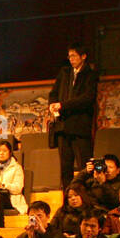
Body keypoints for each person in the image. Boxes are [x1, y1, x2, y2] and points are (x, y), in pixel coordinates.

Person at [48, 42, 98, 187]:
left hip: (80, 128)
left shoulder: (90, 74)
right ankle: (67, 201)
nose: (71, 59)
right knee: (65, 168)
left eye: (74, 55)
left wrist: (63, 105)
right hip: (63, 127)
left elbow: (87, 98)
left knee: (85, 166)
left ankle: (86, 198)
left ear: (83, 56)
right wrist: (52, 104)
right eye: (69, 56)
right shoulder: (65, 73)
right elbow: (54, 93)